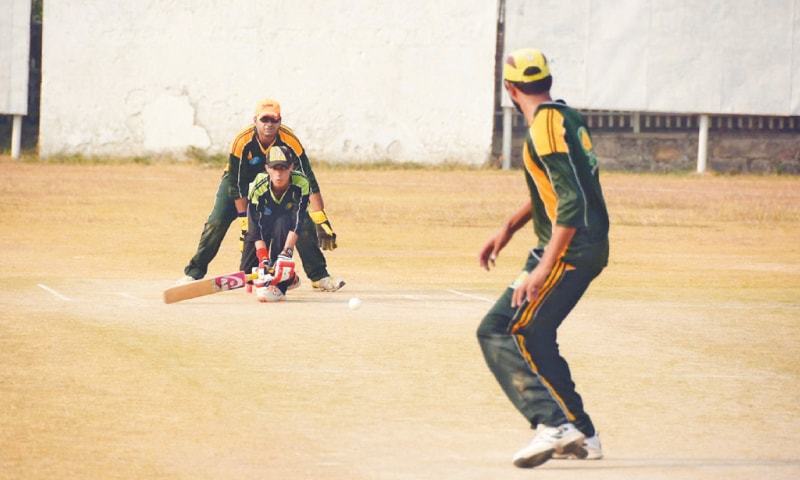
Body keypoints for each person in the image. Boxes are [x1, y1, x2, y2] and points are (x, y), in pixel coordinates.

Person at [476, 48, 610, 469]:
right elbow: (553, 189)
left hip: (570, 249)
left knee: (499, 329)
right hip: (572, 245)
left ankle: (554, 424)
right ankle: (583, 434)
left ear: (509, 89)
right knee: (534, 335)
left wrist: (543, 268)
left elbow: (570, 202)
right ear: (547, 81)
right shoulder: (563, 117)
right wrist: (509, 227)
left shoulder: (545, 129)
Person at [179, 98, 345, 291]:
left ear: (280, 121)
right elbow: (236, 183)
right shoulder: (242, 141)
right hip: (238, 184)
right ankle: (194, 272)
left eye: (273, 120)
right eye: (264, 119)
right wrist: (244, 220)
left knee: (303, 222)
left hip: (276, 181)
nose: (269, 124)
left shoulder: (290, 140)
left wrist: (320, 218)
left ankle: (319, 276)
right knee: (216, 221)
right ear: (255, 120)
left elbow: (308, 178)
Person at [246, 145, 307, 302]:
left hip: (286, 224)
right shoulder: (257, 186)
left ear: (291, 167)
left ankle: (280, 286)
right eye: (274, 168)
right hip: (264, 224)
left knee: (283, 222)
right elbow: (254, 225)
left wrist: (286, 253)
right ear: (267, 168)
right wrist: (263, 258)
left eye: (283, 168)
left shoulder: (301, 183)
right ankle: (290, 278)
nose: (279, 174)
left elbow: (297, 220)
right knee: (247, 269)